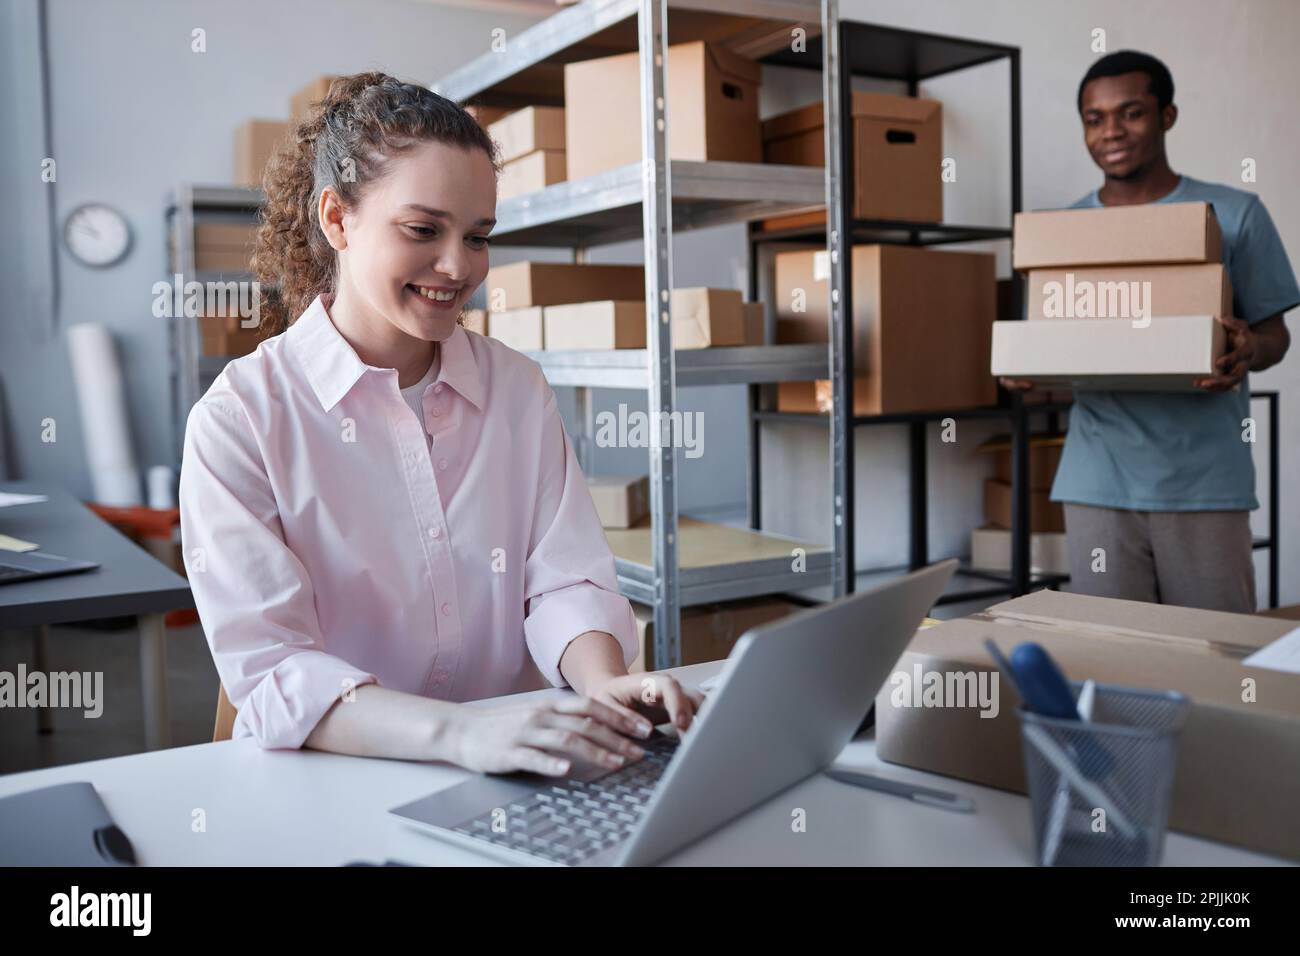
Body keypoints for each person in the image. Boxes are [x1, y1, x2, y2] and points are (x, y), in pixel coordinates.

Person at [178, 73, 700, 775]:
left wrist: (604, 688)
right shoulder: (240, 420)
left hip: (523, 768)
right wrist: (462, 736)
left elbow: (563, 582)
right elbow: (276, 669)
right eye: (423, 230)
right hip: (337, 777)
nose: (458, 267)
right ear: (337, 219)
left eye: (478, 236)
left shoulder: (516, 389)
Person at [1001, 50, 1297, 612]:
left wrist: (1248, 349)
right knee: (1115, 658)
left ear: (1168, 116)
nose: (1111, 131)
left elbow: (1275, 337)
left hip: (1204, 482)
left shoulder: (1235, 214)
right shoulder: (1060, 234)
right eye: (1095, 118)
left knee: (1215, 656)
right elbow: (1056, 348)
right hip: (1096, 482)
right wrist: (1026, 371)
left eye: (1131, 113)